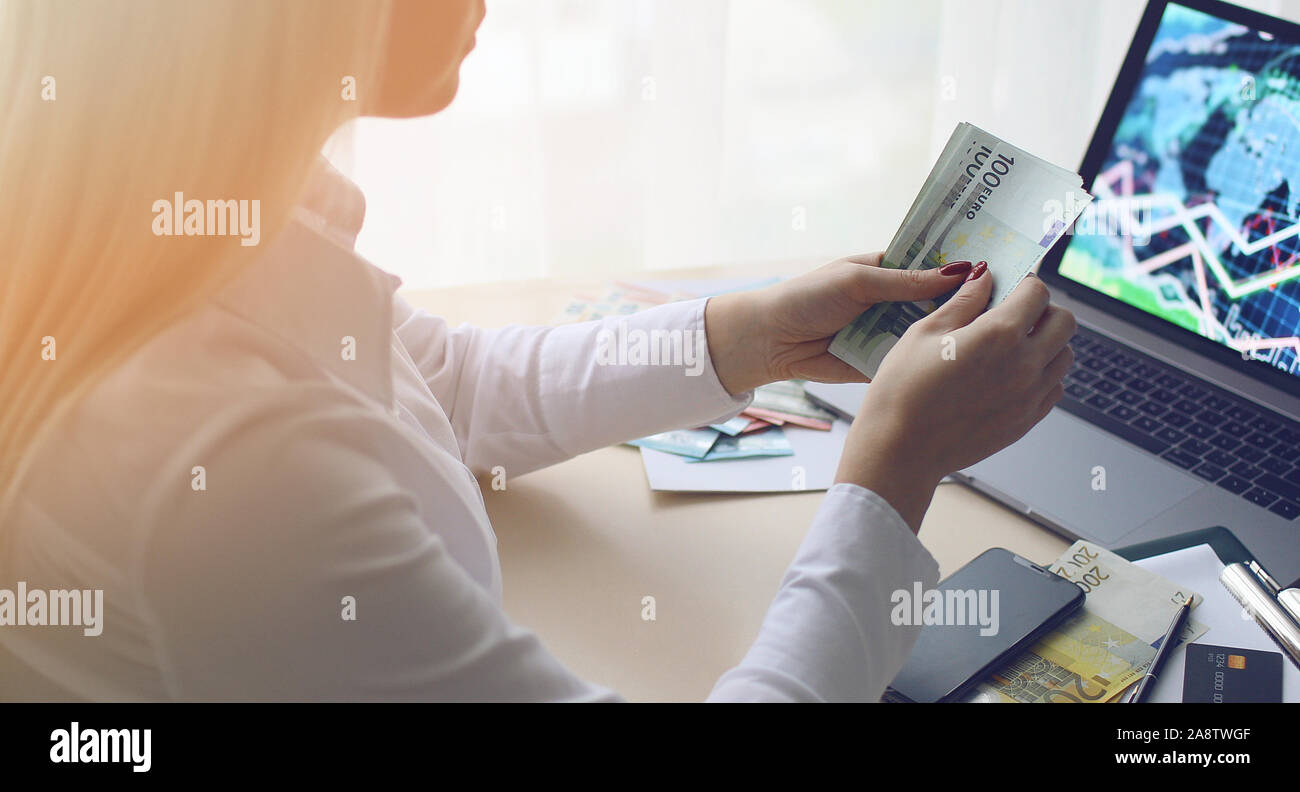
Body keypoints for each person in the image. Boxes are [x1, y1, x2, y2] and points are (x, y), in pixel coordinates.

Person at [0, 0, 1074, 701]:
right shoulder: (230, 465)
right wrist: (890, 478)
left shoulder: (166, 219)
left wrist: (749, 335)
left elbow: (448, 391)